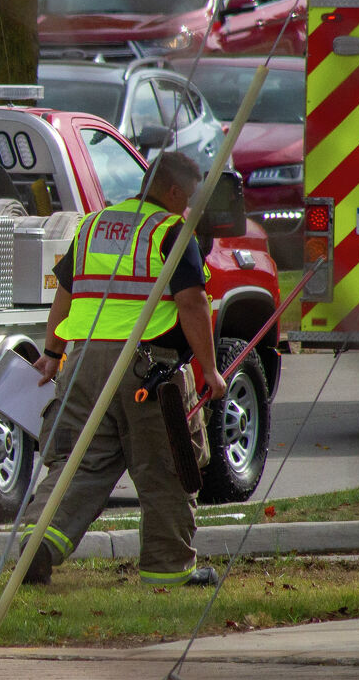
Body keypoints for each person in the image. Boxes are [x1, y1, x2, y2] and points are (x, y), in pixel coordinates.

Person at [21, 150, 226, 589]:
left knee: (81, 463)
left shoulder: (94, 225)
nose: (188, 206)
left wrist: (53, 351)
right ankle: (168, 569)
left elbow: (66, 291)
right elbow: (191, 302)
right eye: (187, 196)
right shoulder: (172, 231)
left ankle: (39, 543)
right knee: (168, 467)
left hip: (84, 367)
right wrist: (210, 370)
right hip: (149, 370)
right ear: (173, 190)